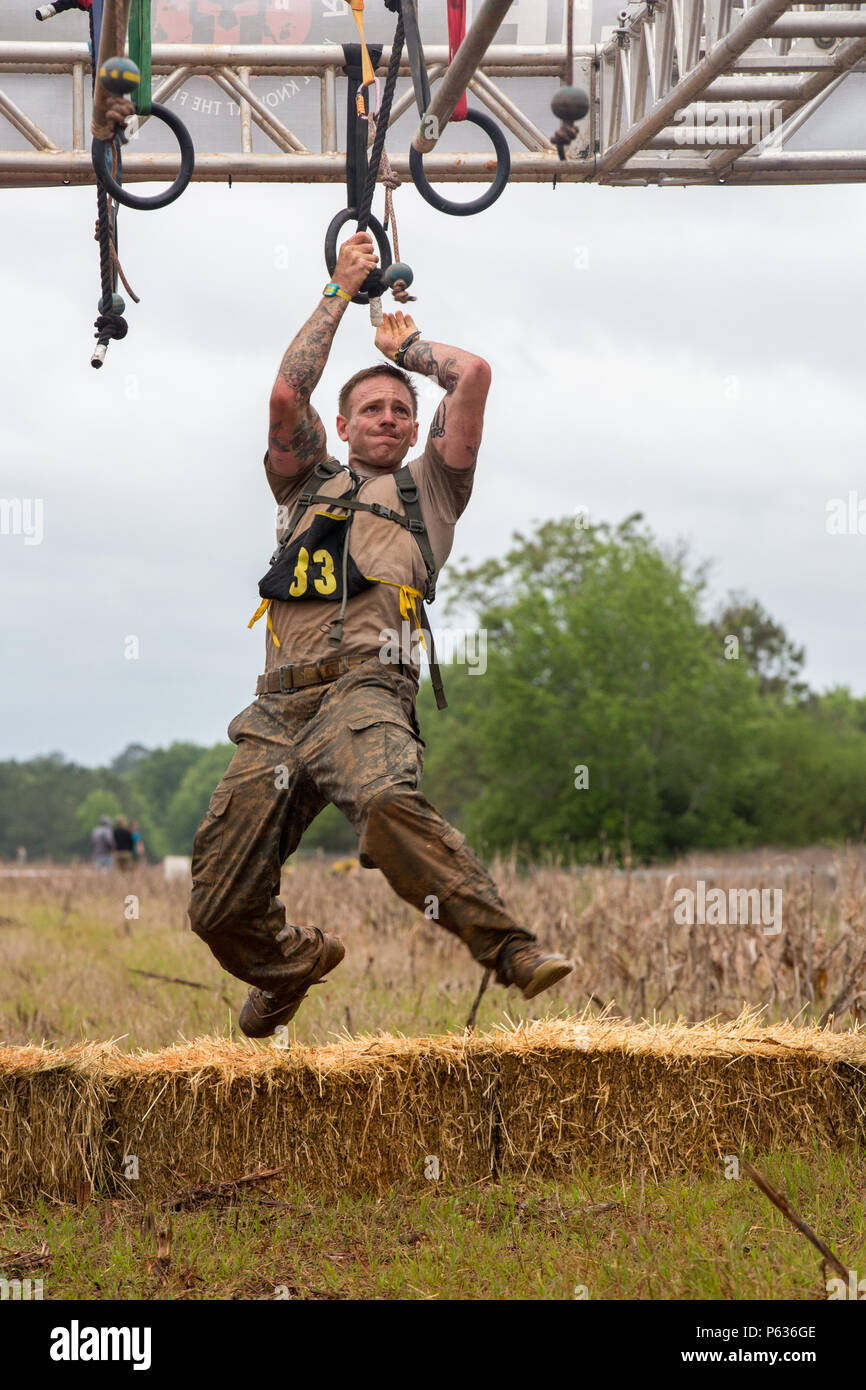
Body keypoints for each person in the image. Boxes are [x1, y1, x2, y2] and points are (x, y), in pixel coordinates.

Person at [188, 232, 574, 1038]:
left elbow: (473, 377)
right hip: (278, 708)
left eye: (401, 410)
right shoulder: (303, 477)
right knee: (217, 903)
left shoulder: (432, 485)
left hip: (369, 686)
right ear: (343, 422)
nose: (390, 417)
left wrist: (410, 348)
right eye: (374, 407)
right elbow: (284, 398)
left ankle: (509, 948)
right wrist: (341, 290)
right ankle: (289, 962)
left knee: (390, 803)